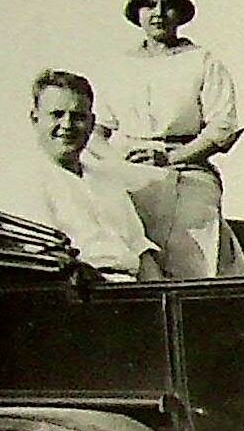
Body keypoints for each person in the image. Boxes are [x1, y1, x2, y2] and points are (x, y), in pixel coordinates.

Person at [89, 0, 244, 279]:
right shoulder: (118, 66)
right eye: (150, 5)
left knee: (194, 227)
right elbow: (97, 128)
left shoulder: (202, 61)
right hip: (126, 166)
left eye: (168, 5)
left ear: (181, 14)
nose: (158, 12)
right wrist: (111, 162)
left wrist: (171, 159)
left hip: (186, 167)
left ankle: (198, 300)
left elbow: (222, 128)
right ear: (137, 12)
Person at [26, 69, 162, 281]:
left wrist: (163, 294)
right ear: (35, 118)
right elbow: (45, 260)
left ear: (92, 123)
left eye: (79, 117)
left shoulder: (106, 180)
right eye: (57, 114)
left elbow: (141, 253)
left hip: (132, 291)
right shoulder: (25, 181)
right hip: (82, 295)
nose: (68, 125)